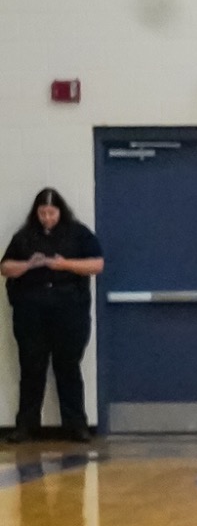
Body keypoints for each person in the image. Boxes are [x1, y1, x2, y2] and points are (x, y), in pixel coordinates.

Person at [1, 188, 104, 443]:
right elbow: (5, 267)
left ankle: (76, 425)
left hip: (69, 310)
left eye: (51, 212)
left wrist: (64, 264)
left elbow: (97, 264)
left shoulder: (78, 233)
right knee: (31, 368)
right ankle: (26, 425)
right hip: (31, 312)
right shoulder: (24, 237)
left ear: (61, 211)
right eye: (42, 213)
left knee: (68, 367)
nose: (47, 218)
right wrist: (29, 265)